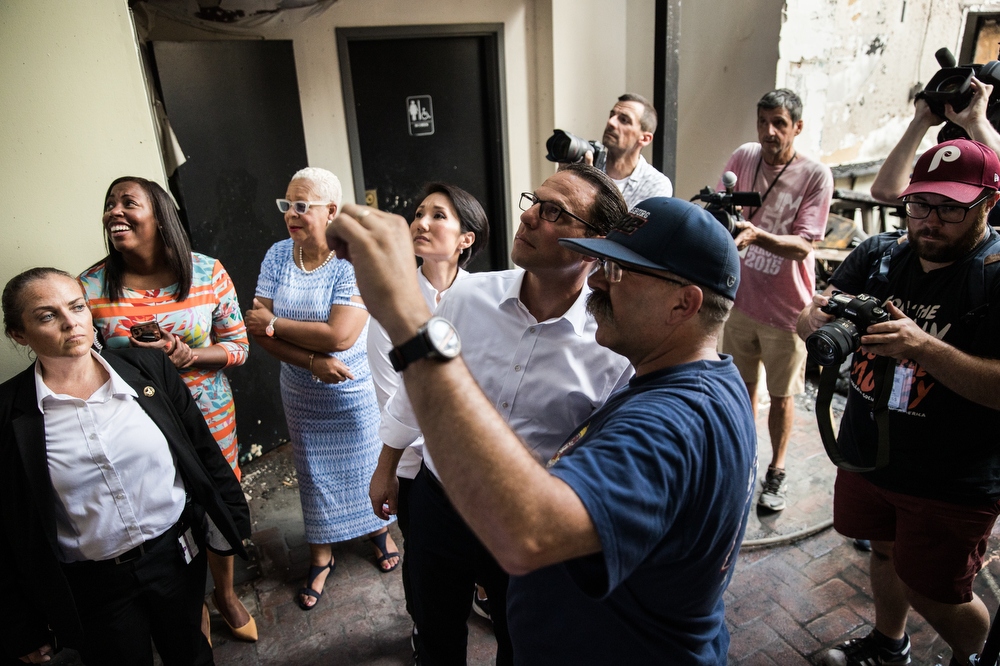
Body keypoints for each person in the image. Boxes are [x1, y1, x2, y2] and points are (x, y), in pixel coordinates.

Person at [327, 194, 757, 664]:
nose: (599, 283)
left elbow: (528, 533)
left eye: (618, 272)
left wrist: (410, 320)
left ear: (683, 303)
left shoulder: (674, 422)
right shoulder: (707, 380)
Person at [372, 164, 640, 665]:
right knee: (434, 632)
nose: (530, 216)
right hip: (439, 501)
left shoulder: (611, 347)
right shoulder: (468, 296)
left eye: (555, 212)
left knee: (520, 643)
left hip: (523, 522)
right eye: (534, 201)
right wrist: (388, 465)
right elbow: (418, 384)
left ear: (595, 245)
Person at [798, 138, 1000, 666]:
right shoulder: (879, 254)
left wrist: (924, 348)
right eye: (920, 204)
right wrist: (813, 319)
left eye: (951, 208)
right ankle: (889, 644)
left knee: (935, 590)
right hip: (870, 452)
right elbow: (810, 320)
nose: (930, 221)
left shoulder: (995, 274)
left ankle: (977, 655)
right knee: (885, 553)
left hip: (950, 478)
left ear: (989, 203)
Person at [0, 268, 251, 665]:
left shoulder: (147, 368)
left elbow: (203, 450)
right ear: (19, 334)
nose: (71, 322)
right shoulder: (8, 414)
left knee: (192, 653)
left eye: (77, 307)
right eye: (47, 316)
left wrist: (234, 519)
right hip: (93, 584)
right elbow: (7, 529)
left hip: (175, 557)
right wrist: (20, 626)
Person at [78, 176, 256, 642]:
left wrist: (189, 355)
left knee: (216, 504)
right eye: (109, 204)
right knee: (170, 512)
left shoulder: (208, 272)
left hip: (211, 418)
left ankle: (225, 594)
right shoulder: (90, 287)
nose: (114, 212)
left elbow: (238, 347)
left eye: (128, 203)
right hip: (139, 426)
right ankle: (192, 607)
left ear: (160, 217)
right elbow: (85, 363)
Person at [245, 167, 397, 613]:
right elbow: (255, 330)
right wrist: (312, 360)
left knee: (367, 463)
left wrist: (275, 324)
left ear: (331, 210)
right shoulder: (277, 255)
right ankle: (321, 554)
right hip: (301, 389)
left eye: (301, 206)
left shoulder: (353, 259)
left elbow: (340, 336)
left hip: (350, 387)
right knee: (313, 474)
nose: (290, 214)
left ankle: (377, 531)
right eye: (286, 205)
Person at [366, 182, 489, 649]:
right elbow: (393, 395)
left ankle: (482, 593)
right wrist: (413, 464)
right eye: (419, 213)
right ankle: (424, 628)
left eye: (438, 215)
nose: (421, 222)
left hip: (478, 463)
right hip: (418, 468)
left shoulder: (486, 297)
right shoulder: (390, 303)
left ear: (466, 238)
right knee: (425, 566)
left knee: (485, 550)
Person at [719, 88, 834, 511]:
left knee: (782, 397)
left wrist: (756, 235)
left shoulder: (816, 175)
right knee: (742, 388)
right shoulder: (744, 157)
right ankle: (745, 459)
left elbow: (804, 246)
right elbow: (724, 209)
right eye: (763, 121)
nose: (769, 132)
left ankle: (777, 470)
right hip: (741, 300)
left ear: (797, 127)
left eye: (779, 123)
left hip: (788, 311)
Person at [871, 77, 1000, 203]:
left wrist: (977, 122)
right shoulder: (957, 175)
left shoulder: (990, 187)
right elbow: (887, 190)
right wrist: (921, 121)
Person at [566, 93, 673, 208]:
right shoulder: (587, 166)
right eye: (611, 115)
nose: (611, 122)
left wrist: (589, 188)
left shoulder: (655, 184)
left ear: (645, 139)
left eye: (624, 120)